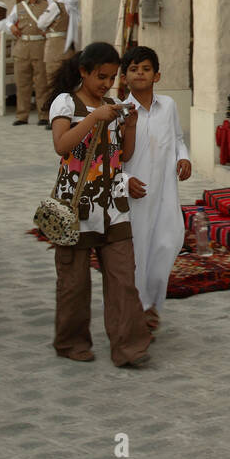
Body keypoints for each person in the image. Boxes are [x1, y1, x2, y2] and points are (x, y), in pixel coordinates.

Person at [47, 42, 152, 367]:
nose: (107, 84)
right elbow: (62, 145)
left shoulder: (112, 105)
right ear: (83, 72)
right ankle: (71, 342)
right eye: (101, 77)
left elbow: (125, 155)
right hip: (75, 205)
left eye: (111, 78)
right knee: (74, 282)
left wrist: (130, 125)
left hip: (113, 205)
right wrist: (94, 117)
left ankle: (129, 348)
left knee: (123, 278)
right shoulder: (66, 102)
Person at [120, 46, 192, 332]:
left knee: (167, 242)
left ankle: (152, 303)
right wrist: (124, 182)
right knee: (137, 250)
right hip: (134, 195)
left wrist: (183, 157)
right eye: (134, 69)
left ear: (157, 75)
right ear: (125, 77)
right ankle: (139, 309)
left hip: (165, 190)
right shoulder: (120, 110)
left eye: (146, 69)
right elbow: (114, 156)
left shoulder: (169, 106)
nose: (140, 73)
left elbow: (177, 138)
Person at [8, 0, 57, 125]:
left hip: (41, 47)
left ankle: (43, 115)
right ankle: (22, 116)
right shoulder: (19, 6)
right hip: (22, 48)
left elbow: (56, 19)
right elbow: (9, 20)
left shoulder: (48, 3)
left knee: (42, 83)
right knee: (22, 84)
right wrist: (11, 26)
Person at [40, 0, 80, 115]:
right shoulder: (73, 4)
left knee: (54, 82)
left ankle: (55, 114)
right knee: (68, 82)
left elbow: (41, 23)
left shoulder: (56, 6)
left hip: (55, 48)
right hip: (70, 48)